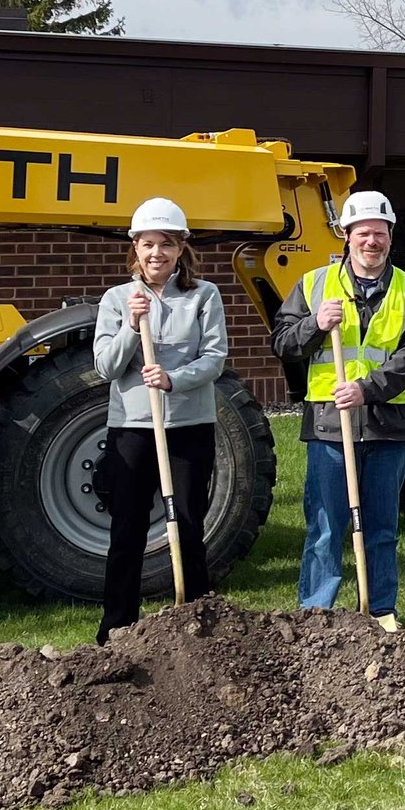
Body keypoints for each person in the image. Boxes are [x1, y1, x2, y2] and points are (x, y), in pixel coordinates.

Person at [271, 190, 405, 617]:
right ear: (346, 235)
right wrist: (315, 324)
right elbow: (283, 344)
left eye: (379, 233)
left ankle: (380, 613)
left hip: (387, 423)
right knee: (326, 528)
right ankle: (315, 613)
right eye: (362, 233)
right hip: (329, 424)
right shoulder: (313, 285)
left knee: (381, 529)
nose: (371, 242)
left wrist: (367, 388)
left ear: (390, 236)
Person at [91, 197, 228, 642]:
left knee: (188, 521)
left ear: (181, 248)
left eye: (166, 245)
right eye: (148, 244)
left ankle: (198, 618)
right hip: (133, 427)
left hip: (189, 426)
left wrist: (174, 379)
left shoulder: (203, 295)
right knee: (126, 527)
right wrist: (133, 327)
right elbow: (106, 368)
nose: (157, 254)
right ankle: (117, 626)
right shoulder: (117, 299)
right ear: (135, 246)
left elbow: (214, 358)